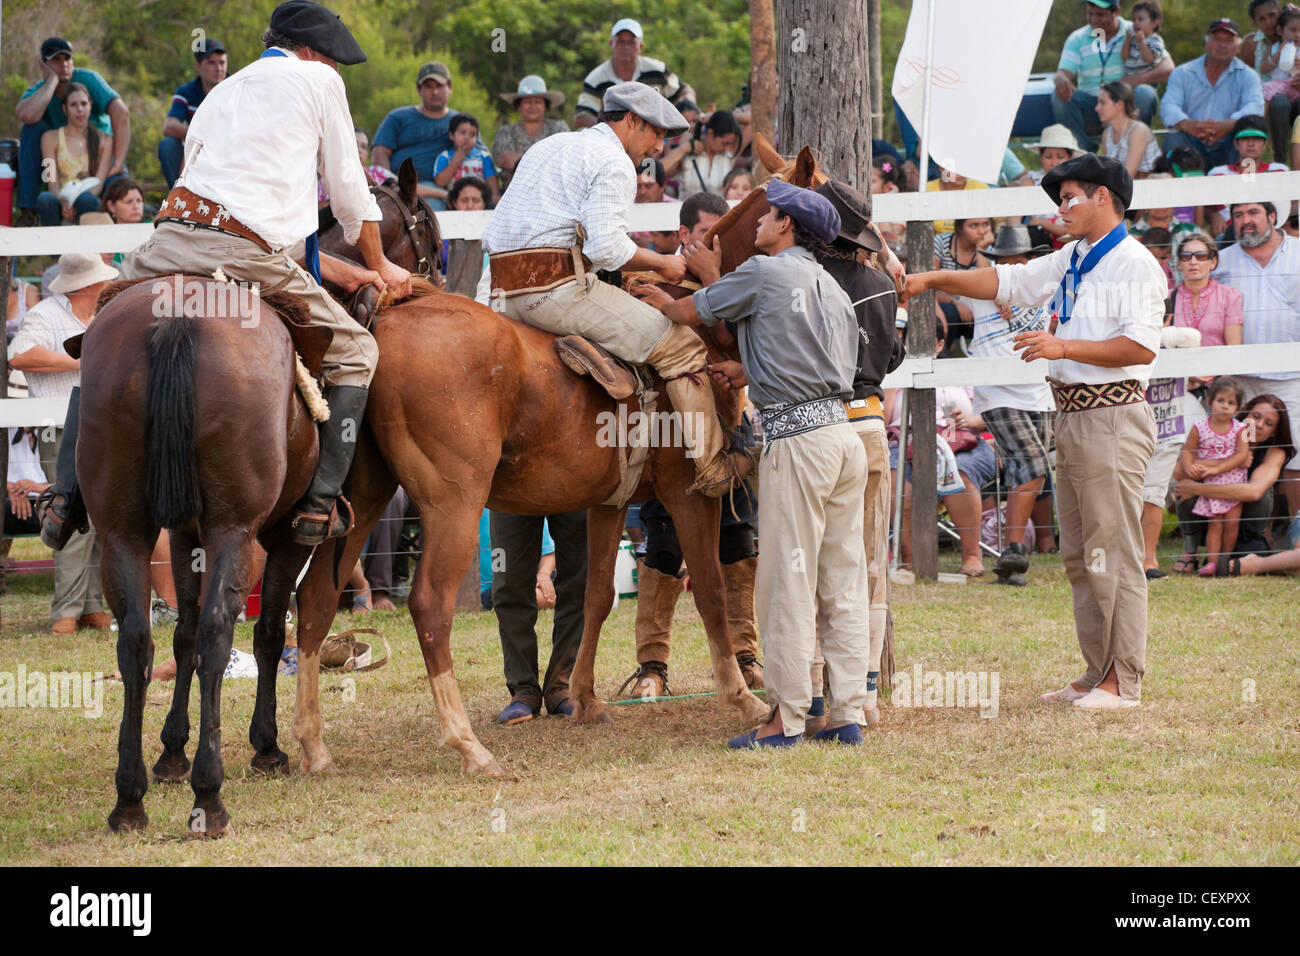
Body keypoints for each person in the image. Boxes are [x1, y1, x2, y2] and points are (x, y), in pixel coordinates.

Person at [38, 0, 413, 555]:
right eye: (334, 62)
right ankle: (320, 502)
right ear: (312, 52)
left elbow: (261, 220)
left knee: (102, 333)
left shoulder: (221, 91)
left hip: (167, 240)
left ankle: (67, 494)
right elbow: (351, 196)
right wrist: (380, 266)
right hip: (243, 251)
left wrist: (343, 270)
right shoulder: (317, 81)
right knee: (357, 350)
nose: (336, 73)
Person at [905, 154, 1165, 711]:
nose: (1061, 207)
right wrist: (931, 278)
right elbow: (1007, 280)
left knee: (1111, 550)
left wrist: (1062, 347)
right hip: (1072, 412)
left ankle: (1124, 681)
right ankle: (1099, 672)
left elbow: (1142, 348)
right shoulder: (1073, 257)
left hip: (1111, 413)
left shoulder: (1136, 264)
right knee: (1080, 553)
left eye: (1070, 196)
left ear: (1104, 198)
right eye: (1060, 198)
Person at [638, 179, 870, 748]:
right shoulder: (831, 286)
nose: (758, 223)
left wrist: (661, 294)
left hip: (797, 441)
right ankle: (846, 714)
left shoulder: (764, 273)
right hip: (842, 437)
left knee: (787, 580)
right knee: (841, 579)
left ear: (786, 226)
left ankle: (785, 717)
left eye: (767, 216)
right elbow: (807, 352)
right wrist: (752, 372)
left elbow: (687, 310)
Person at [480, 82, 752, 497]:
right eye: (657, 134)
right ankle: (714, 467)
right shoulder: (614, 161)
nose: (659, 149)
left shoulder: (549, 146)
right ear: (632, 120)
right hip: (555, 290)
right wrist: (663, 262)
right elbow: (605, 248)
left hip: (499, 291)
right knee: (684, 347)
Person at [814, 179, 905, 726]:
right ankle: (865, 694)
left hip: (819, 427)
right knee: (870, 562)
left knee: (810, 561)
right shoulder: (881, 284)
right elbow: (892, 360)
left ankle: (814, 689)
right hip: (869, 425)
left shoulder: (807, 282)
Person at [9, 253, 119, 634]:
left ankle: (90, 605)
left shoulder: (102, 313)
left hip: (101, 423)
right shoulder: (46, 314)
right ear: (88, 284)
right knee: (68, 510)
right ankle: (66, 611)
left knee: (100, 514)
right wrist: (82, 362)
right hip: (59, 424)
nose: (107, 283)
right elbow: (19, 355)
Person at [960, 225, 1058, 587]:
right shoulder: (982, 288)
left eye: (1016, 263)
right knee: (1032, 464)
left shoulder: (1047, 288)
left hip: (1039, 388)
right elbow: (949, 287)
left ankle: (1012, 555)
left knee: (1028, 468)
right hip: (998, 390)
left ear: (1030, 262)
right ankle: (1015, 547)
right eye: (1002, 263)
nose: (1009, 271)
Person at [1213, 200, 1300, 516]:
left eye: (1253, 213)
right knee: (1239, 453)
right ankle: (1248, 536)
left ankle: (1295, 533)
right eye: (1238, 215)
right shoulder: (1220, 262)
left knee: (1297, 458)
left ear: (1273, 217)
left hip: (1294, 375)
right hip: (1240, 381)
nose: (1245, 221)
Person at [1173, 393, 1294, 572]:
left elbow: (1253, 492)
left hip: (1244, 519)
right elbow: (1180, 473)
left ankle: (1234, 553)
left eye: (1268, 423)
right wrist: (1234, 459)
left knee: (1262, 494)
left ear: (1274, 432)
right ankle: (1191, 551)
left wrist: (1198, 489)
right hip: (1210, 513)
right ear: (1244, 414)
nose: (1259, 425)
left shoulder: (1275, 451)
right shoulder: (1215, 431)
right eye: (1255, 416)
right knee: (1185, 483)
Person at [14, 37, 131, 217]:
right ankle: (28, 212)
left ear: (90, 105)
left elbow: (121, 113)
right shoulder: (41, 93)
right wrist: (52, 81)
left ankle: (123, 223)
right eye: (56, 59)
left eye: (67, 58)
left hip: (101, 158)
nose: (64, 64)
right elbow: (26, 115)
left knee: (119, 184)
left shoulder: (88, 79)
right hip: (60, 161)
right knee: (30, 130)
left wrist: (119, 162)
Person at [489, 510, 587, 723]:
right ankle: (523, 689)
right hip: (509, 487)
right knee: (507, 584)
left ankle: (562, 685)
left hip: (575, 484)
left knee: (580, 581)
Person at [1052, 0, 1171, 151]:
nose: (1094, 19)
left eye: (1100, 14)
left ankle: (1130, 150)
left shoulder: (1135, 29)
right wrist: (1061, 79)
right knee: (1059, 96)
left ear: (1117, 12)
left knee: (1145, 93)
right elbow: (1062, 73)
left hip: (1124, 107)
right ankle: (1082, 154)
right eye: (1090, 13)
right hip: (1092, 107)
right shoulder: (1077, 38)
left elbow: (1168, 68)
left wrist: (1135, 81)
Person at [1160, 19, 1265, 170]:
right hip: (1193, 141)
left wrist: (1230, 124)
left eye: (1229, 40)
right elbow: (1168, 106)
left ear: (1238, 46)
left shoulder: (1249, 75)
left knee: (1245, 133)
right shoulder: (1183, 72)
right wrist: (1188, 124)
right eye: (1217, 39)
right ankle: (1178, 191)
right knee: (1174, 136)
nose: (1222, 45)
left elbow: (1256, 108)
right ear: (1206, 43)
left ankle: (1244, 189)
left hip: (1230, 143)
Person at [1180, 377, 1252, 575]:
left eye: (1231, 403)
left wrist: (1217, 469)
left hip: (1233, 483)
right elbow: (1187, 451)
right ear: (1209, 402)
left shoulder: (1240, 428)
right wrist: (1189, 468)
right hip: (1211, 485)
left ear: (1237, 408)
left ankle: (1224, 560)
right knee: (1215, 524)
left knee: (1231, 523)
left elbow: (1242, 454)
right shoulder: (1199, 426)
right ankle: (1211, 562)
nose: (1225, 407)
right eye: (1220, 401)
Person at [372, 61, 466, 208]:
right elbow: (380, 152)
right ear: (418, 89)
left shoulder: (462, 123)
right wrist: (388, 187)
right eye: (428, 86)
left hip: (451, 192)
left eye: (439, 86)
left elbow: (478, 155)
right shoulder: (398, 117)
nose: (434, 92)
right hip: (402, 192)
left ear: (450, 87)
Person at [573, 18, 694, 128]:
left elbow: (684, 90)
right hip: (611, 142)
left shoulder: (657, 70)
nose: (626, 46)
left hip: (656, 138)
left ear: (640, 46)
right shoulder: (596, 79)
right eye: (620, 41)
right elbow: (581, 117)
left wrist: (688, 104)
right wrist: (613, 129)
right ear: (611, 44)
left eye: (631, 42)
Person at [36, 82, 114, 226]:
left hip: (88, 200)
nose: (80, 109)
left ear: (90, 106)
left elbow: (98, 185)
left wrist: (76, 201)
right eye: (73, 105)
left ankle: (88, 247)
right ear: (64, 109)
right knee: (45, 199)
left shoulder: (105, 140)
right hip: (60, 201)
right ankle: (54, 248)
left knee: (87, 199)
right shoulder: (49, 138)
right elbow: (52, 184)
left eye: (84, 104)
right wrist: (64, 202)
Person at [158, 38, 228, 189]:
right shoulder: (187, 91)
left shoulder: (236, 87)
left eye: (222, 62)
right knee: (168, 146)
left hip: (228, 149)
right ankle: (177, 198)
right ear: (198, 65)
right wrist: (202, 137)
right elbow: (169, 126)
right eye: (211, 63)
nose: (218, 68)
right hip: (198, 149)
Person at [1206, 115, 1288, 232]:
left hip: (1270, 232)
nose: (1251, 143)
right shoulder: (1218, 174)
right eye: (1245, 138)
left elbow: (1289, 208)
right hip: (1229, 235)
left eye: (1257, 138)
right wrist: (1213, 215)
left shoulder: (1279, 171)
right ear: (1235, 143)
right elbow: (1206, 207)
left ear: (1265, 143)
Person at [491, 75, 568, 190]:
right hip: (513, 194)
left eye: (537, 102)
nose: (532, 106)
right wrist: (545, 165)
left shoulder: (558, 128)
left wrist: (519, 162)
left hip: (552, 194)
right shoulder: (506, 131)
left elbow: (566, 160)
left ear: (545, 105)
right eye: (527, 101)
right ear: (519, 105)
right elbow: (503, 159)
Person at [1172, 230, 1243, 347]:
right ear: (1179, 263)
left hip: (1218, 364)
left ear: (1213, 262)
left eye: (1201, 256)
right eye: (1186, 257)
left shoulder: (1229, 296)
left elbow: (1233, 347)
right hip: (1177, 364)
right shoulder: (1167, 298)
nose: (1193, 262)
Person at [1026, 124, 1085, 247]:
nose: (1054, 162)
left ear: (1069, 157)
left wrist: (1041, 222)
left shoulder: (1078, 182)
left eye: (1060, 157)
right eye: (1048, 157)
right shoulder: (1031, 180)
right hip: (1039, 240)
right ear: (1041, 157)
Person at [662, 110, 740, 201]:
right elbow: (656, 173)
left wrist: (718, 116)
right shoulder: (687, 151)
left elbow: (750, 123)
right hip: (687, 212)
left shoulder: (728, 156)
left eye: (729, 144)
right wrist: (684, 149)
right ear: (710, 133)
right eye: (724, 143)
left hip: (720, 213)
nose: (727, 148)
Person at [432, 114, 499, 205]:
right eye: (463, 133)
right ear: (451, 135)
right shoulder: (445, 157)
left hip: (479, 201)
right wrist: (455, 162)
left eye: (472, 134)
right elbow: (440, 183)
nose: (467, 138)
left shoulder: (483, 156)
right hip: (454, 202)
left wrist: (495, 194)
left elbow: (491, 178)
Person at [1098, 81, 1160, 178]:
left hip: (1150, 187)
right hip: (1126, 188)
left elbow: (1127, 177)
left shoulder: (1138, 130)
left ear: (1119, 105)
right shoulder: (1107, 134)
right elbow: (1106, 171)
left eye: (1102, 103)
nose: (1097, 108)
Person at [1122, 2, 1167, 80]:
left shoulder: (1156, 41)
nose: (1136, 23)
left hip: (1147, 82)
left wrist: (1141, 42)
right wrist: (1127, 40)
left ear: (1154, 23)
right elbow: (1124, 57)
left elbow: (1150, 59)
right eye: (1134, 20)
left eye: (1140, 19)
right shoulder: (1133, 38)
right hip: (1129, 79)